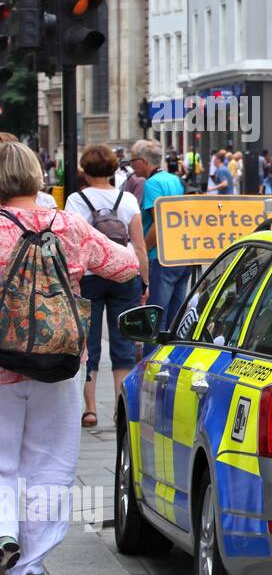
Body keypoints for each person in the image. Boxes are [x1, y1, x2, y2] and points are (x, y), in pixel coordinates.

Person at [0, 141, 140, 575]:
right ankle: (32, 569)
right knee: (50, 463)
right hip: (60, 365)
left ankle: (3, 534)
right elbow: (125, 266)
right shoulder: (68, 224)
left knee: (2, 463)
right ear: (36, 177)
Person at [65, 145, 149, 429]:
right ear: (114, 170)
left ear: (85, 172)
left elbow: (71, 244)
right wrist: (144, 281)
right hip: (124, 274)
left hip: (88, 277)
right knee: (124, 344)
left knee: (88, 343)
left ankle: (89, 409)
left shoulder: (76, 200)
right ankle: (119, 407)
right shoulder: (126, 200)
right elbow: (138, 246)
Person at [132, 138, 190, 328]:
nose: (132, 167)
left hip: (160, 256)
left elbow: (159, 224)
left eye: (133, 161)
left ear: (143, 162)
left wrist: (143, 252)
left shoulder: (152, 184)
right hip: (181, 254)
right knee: (175, 318)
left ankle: (152, 356)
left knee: (155, 318)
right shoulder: (175, 180)